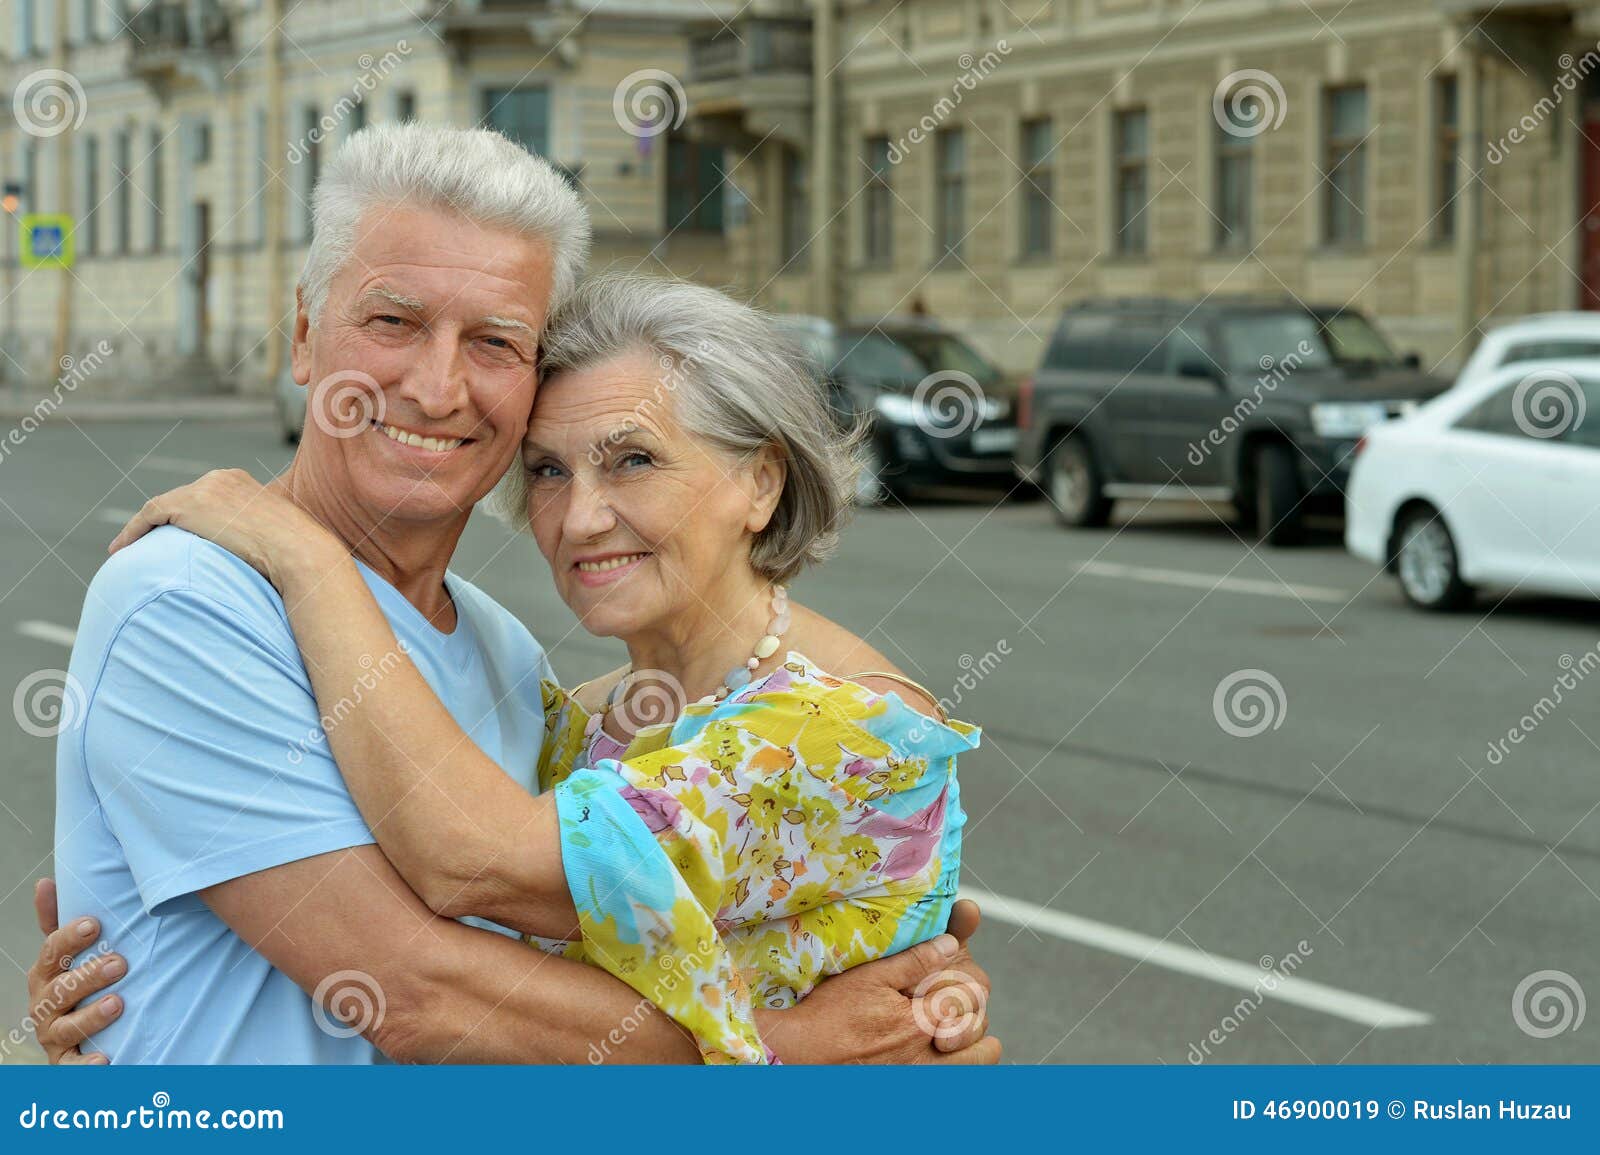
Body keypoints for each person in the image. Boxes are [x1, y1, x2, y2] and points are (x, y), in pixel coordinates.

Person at [26, 123, 996, 1065]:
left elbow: (518, 942)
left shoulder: (504, 657)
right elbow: (414, 992)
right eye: (393, 321)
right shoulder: (190, 598)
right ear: (305, 339)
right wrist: (780, 1049)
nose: (439, 387)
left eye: (494, 342)